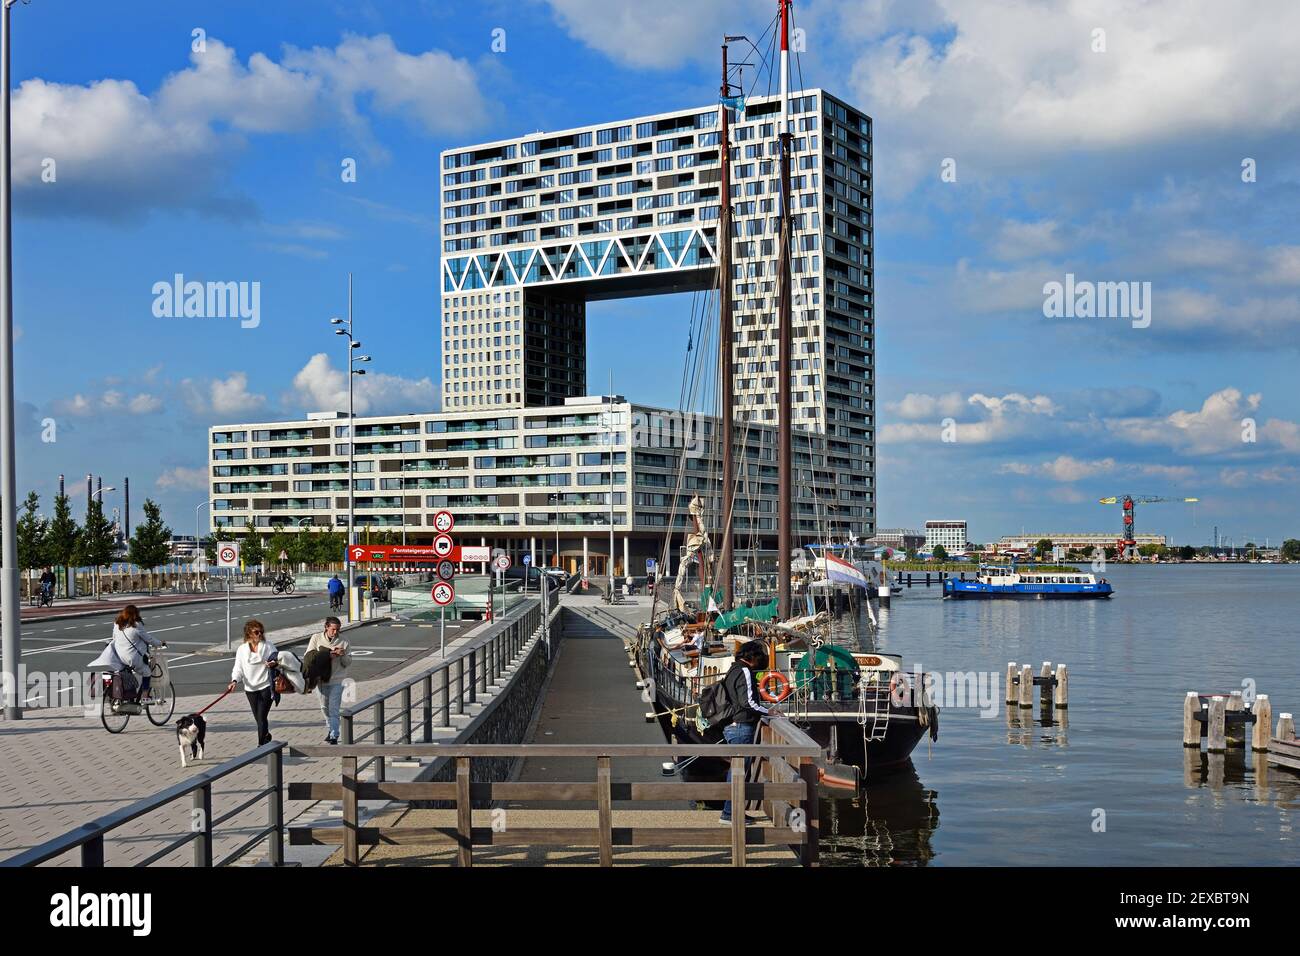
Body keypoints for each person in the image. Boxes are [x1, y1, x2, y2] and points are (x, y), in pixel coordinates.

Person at [718, 640, 781, 826]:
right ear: (752, 658)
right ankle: (730, 813)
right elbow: (748, 702)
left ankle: (731, 811)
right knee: (738, 772)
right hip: (741, 727)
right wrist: (768, 711)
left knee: (736, 770)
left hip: (732, 726)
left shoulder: (732, 670)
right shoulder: (744, 671)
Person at [227, 619, 279, 746]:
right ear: (249, 634)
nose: (260, 634)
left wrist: (273, 663)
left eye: (261, 632)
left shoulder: (268, 646)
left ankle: (261, 745)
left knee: (261, 717)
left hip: (266, 686)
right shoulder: (242, 650)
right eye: (256, 632)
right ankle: (266, 735)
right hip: (250, 689)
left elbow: (278, 659)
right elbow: (238, 668)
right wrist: (234, 680)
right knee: (259, 719)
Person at [306, 616, 353, 744]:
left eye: (338, 629)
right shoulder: (316, 638)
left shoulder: (344, 641)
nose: (335, 632)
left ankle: (334, 735)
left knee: (334, 708)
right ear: (326, 627)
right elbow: (308, 656)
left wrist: (342, 655)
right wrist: (328, 654)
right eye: (333, 629)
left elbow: (348, 662)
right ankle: (330, 728)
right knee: (324, 707)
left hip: (337, 680)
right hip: (321, 679)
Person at [106, 605, 165, 701]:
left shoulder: (117, 624)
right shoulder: (136, 625)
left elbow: (114, 638)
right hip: (132, 658)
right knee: (147, 672)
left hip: (119, 657)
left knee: (126, 673)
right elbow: (148, 639)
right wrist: (160, 643)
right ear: (135, 614)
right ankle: (145, 696)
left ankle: (122, 698)